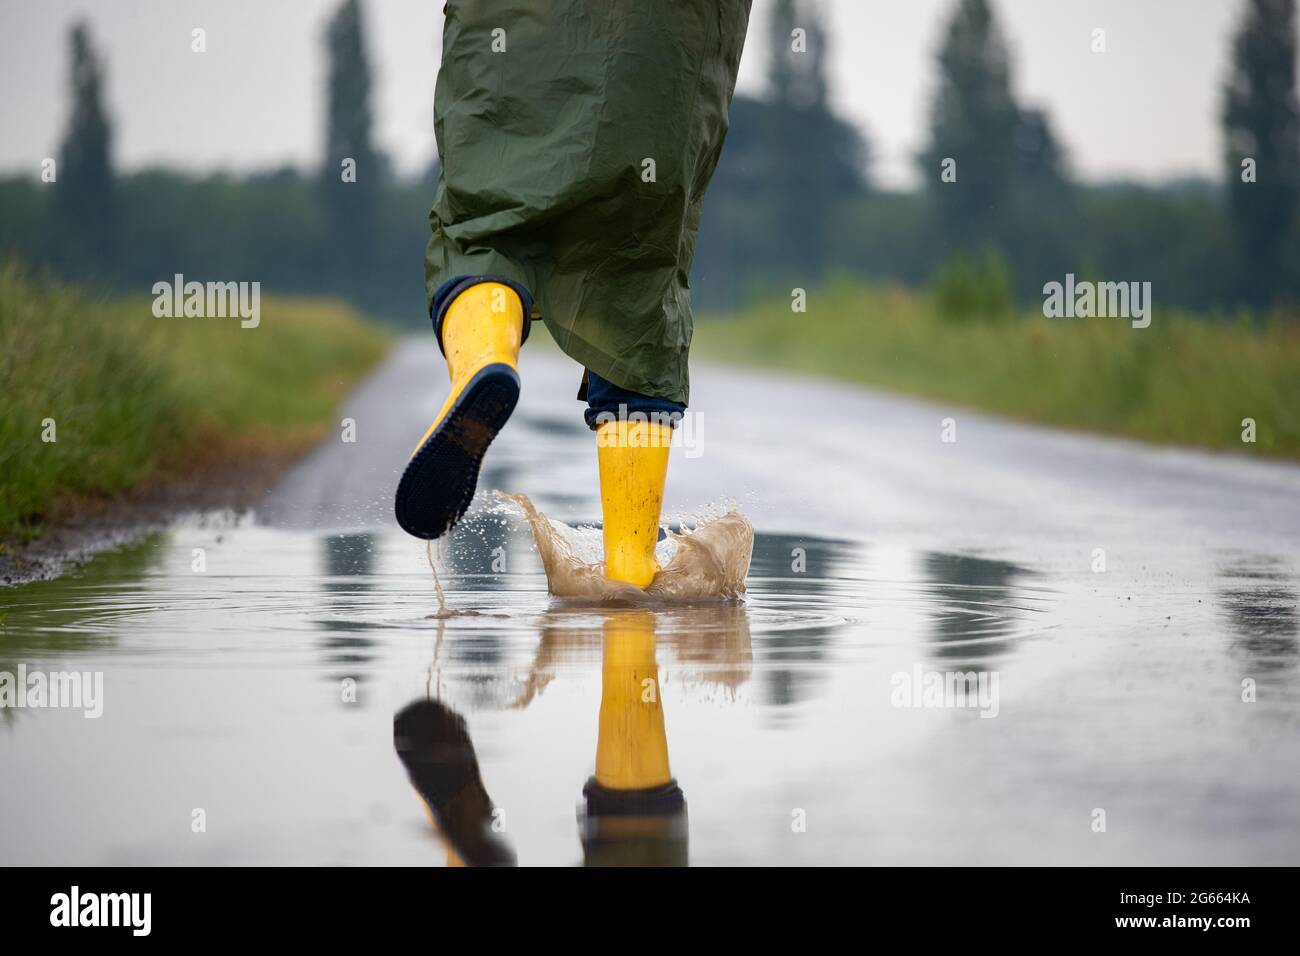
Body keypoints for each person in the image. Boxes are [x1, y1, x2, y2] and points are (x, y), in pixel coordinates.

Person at [395, 1, 752, 588]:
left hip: (516, 25)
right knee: (636, 276)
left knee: (485, 223)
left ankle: (484, 359)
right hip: (661, 39)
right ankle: (632, 567)